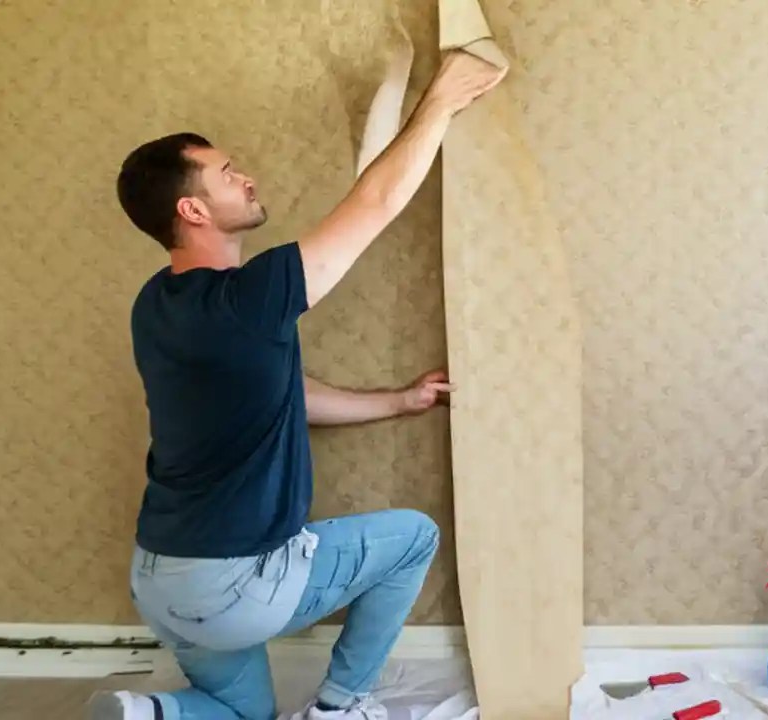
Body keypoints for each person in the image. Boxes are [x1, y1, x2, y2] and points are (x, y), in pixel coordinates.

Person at [88, 50, 506, 720]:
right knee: (414, 536)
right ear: (194, 208)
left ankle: (148, 715)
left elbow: (284, 394)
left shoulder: (157, 303)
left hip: (161, 580)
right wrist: (442, 101)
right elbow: (378, 202)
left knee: (246, 716)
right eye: (229, 173)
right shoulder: (252, 299)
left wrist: (401, 400)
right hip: (232, 586)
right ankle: (338, 707)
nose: (246, 177)